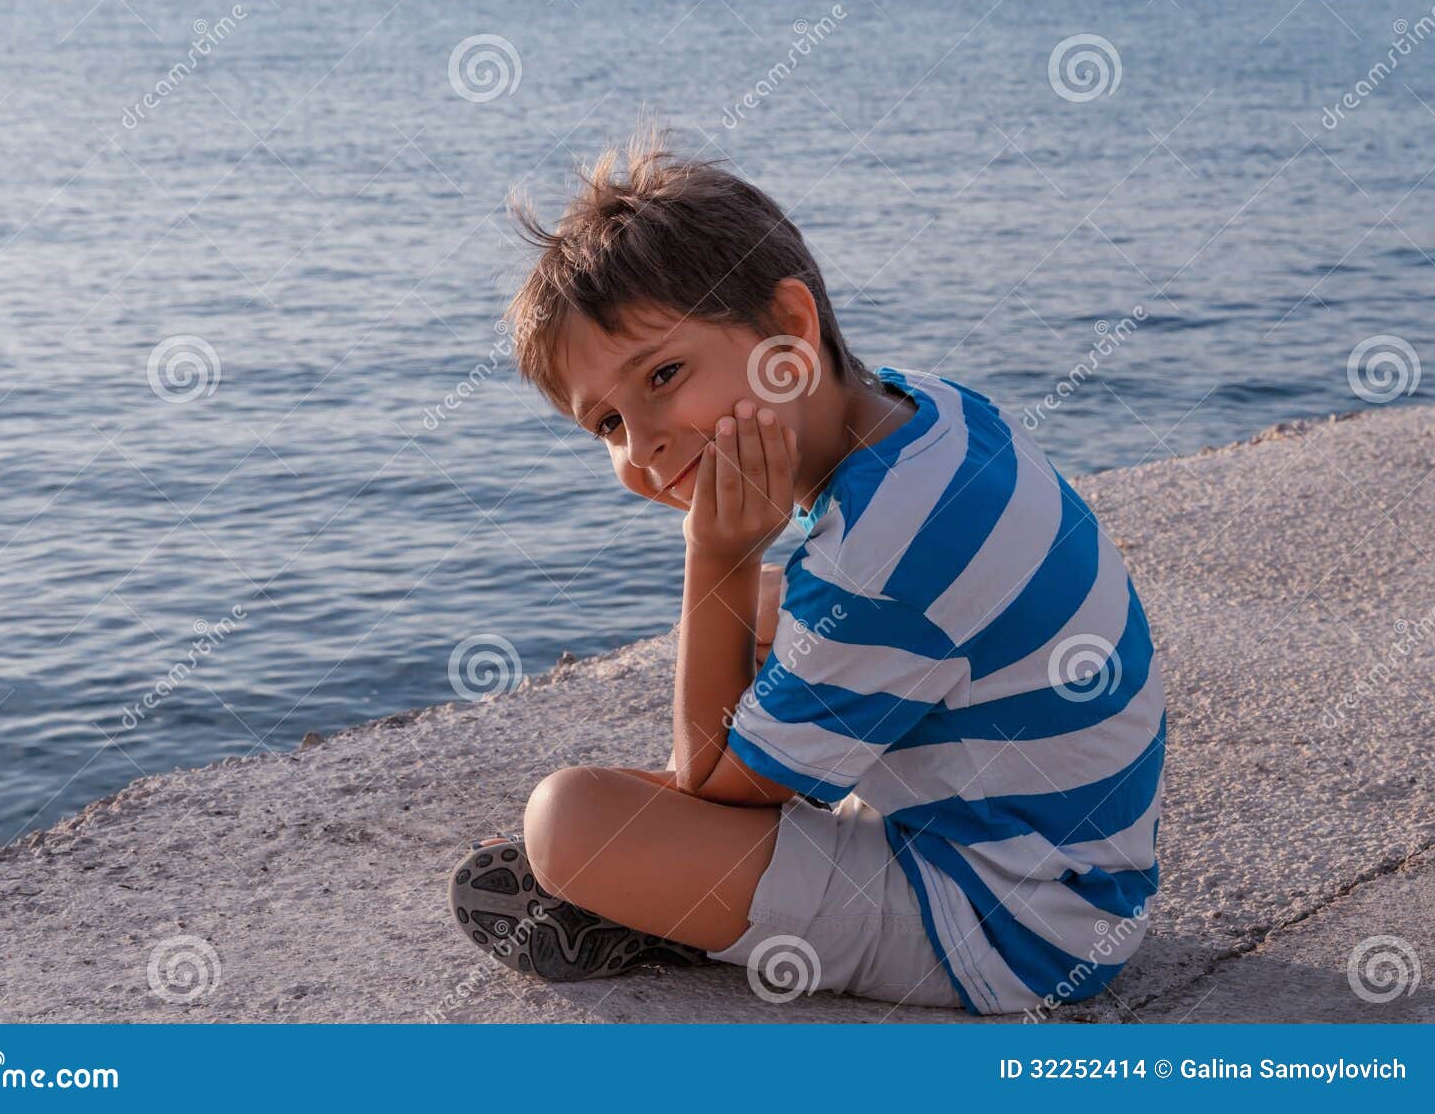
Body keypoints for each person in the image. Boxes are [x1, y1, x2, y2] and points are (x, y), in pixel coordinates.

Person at [447, 126, 1164, 1015]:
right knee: (768, 614)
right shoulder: (925, 409)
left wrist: (717, 554)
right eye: (608, 426)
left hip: (1012, 927)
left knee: (569, 822)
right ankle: (673, 876)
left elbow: (718, 789)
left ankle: (658, 907)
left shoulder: (886, 550)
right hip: (1068, 864)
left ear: (790, 329)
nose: (645, 446)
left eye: (665, 374)